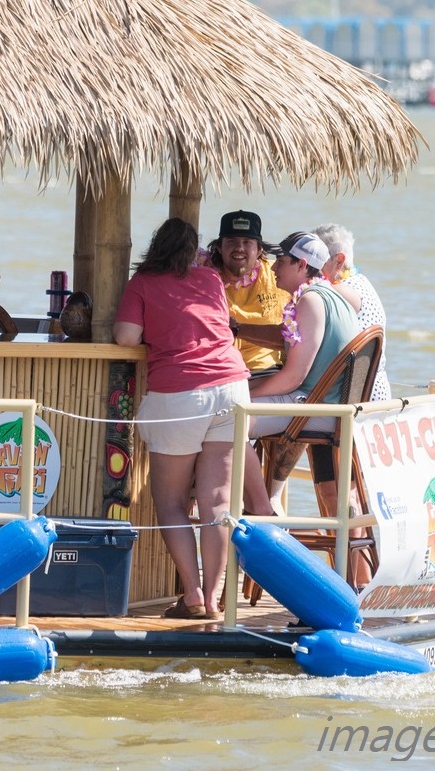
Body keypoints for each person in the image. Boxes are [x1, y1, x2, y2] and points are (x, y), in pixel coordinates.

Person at [113, 218, 274, 620]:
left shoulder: (144, 283)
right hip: (233, 387)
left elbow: (126, 338)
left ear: (154, 246)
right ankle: (216, 598)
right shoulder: (210, 280)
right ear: (196, 249)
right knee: (218, 502)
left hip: (180, 395)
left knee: (169, 503)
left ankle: (193, 594)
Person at [247, 232, 361, 439]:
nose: (273, 268)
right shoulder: (329, 293)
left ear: (301, 265)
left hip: (320, 408)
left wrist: (245, 395)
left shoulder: (311, 300)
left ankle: (245, 472)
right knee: (228, 400)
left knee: (225, 418)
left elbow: (294, 378)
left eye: (280, 262)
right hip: (326, 403)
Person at [313, 224, 390, 403]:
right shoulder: (361, 283)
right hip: (373, 393)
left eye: (317, 258)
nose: (310, 264)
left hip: (354, 399)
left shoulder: (337, 292)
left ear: (339, 261)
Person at [205, 209, 286, 372]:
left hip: (264, 370)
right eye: (232, 241)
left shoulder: (277, 273)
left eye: (247, 242)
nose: (239, 248)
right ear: (219, 248)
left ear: (260, 250)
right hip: (216, 370)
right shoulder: (202, 278)